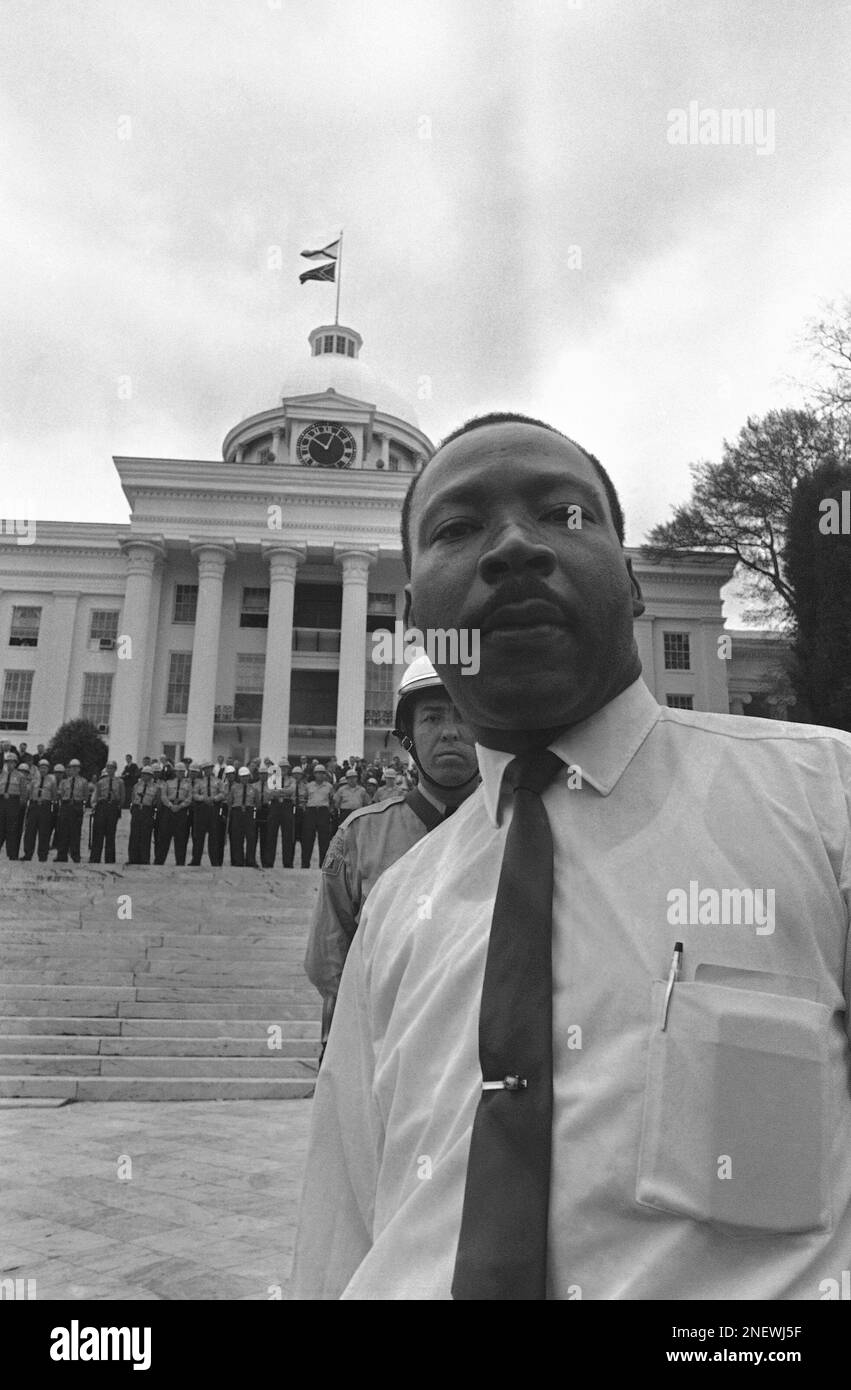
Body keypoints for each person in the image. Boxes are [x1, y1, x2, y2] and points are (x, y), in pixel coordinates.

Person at [292, 411, 851, 1302]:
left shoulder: (825, 802)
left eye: (563, 514)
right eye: (456, 528)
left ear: (630, 584)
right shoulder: (396, 909)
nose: (514, 545)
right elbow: (343, 1231)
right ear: (416, 619)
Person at [306, 653, 480, 1060]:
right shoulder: (359, 836)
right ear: (408, 738)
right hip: (385, 1053)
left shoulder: (514, 828)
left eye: (464, 716)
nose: (450, 732)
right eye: (432, 718)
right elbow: (327, 960)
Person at [154, 762, 193, 865]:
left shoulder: (188, 784)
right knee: (164, 836)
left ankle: (180, 862)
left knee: (181, 837)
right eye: (178, 771)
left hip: (181, 810)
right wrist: (171, 805)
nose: (180, 773)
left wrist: (180, 806)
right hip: (169, 809)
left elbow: (189, 798)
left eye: (182, 771)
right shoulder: (168, 783)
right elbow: (163, 796)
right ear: (175, 772)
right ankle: (159, 861)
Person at [53, 759, 90, 863]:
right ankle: (62, 855)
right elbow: (60, 794)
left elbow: (86, 796)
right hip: (65, 806)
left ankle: (75, 855)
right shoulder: (64, 782)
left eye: (76, 767)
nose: (73, 770)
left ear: (79, 769)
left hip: (76, 806)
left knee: (75, 832)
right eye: (71, 767)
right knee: (63, 831)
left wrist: (81, 805)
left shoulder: (84, 782)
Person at [21, 757, 58, 862]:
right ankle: (28, 854)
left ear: (48, 769)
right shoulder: (34, 781)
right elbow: (29, 793)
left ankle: (42, 856)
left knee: (44, 832)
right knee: (30, 831)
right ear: (38, 768)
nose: (43, 770)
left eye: (45, 768)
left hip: (45, 807)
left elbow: (54, 796)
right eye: (41, 768)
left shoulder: (52, 781)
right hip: (34, 806)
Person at [89, 760, 126, 864]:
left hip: (113, 806)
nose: (110, 770)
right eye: (108, 767)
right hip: (102, 806)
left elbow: (122, 797)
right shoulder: (101, 782)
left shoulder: (120, 782)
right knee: (98, 833)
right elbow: (96, 796)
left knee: (110, 834)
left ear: (115, 769)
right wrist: (95, 806)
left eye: (112, 768)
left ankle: (110, 859)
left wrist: (118, 807)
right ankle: (95, 858)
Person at [190, 760, 225, 865]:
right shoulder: (199, 782)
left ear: (212, 769)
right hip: (201, 809)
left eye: (209, 768)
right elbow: (194, 794)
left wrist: (214, 798)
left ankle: (214, 861)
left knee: (213, 836)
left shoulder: (218, 781)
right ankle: (196, 860)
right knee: (199, 836)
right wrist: (203, 798)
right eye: (205, 769)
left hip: (214, 808)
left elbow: (223, 793)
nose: (207, 770)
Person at [300, 764, 334, 868]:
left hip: (323, 812)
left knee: (324, 839)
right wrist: (305, 810)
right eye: (318, 773)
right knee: (308, 838)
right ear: (314, 774)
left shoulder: (329, 786)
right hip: (311, 811)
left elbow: (332, 800)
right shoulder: (309, 786)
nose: (320, 775)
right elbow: (303, 799)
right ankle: (305, 864)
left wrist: (329, 811)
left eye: (322, 773)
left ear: (325, 775)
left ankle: (323, 864)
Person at [128, 765, 160, 864]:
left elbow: (156, 800)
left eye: (147, 774)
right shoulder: (137, 785)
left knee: (145, 835)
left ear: (151, 776)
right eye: (143, 774)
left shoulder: (156, 787)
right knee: (134, 834)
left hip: (147, 810)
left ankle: (144, 858)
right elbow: (133, 797)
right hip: (137, 809)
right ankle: (133, 858)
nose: (145, 776)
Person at [0, 750, 29, 860]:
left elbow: (24, 793)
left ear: (16, 763)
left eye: (12, 762)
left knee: (12, 829)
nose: (10, 764)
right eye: (8, 762)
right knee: (0, 828)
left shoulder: (20, 776)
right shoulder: (2, 775)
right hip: (2, 803)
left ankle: (12, 854)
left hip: (14, 803)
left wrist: (20, 807)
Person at [227, 766, 257, 866]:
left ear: (249, 777)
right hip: (237, 812)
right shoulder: (234, 788)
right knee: (237, 837)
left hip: (249, 812)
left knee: (251, 837)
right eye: (243, 776)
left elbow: (257, 802)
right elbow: (229, 801)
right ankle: (238, 860)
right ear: (239, 777)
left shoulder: (253, 788)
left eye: (246, 776)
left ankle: (250, 860)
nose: (245, 778)